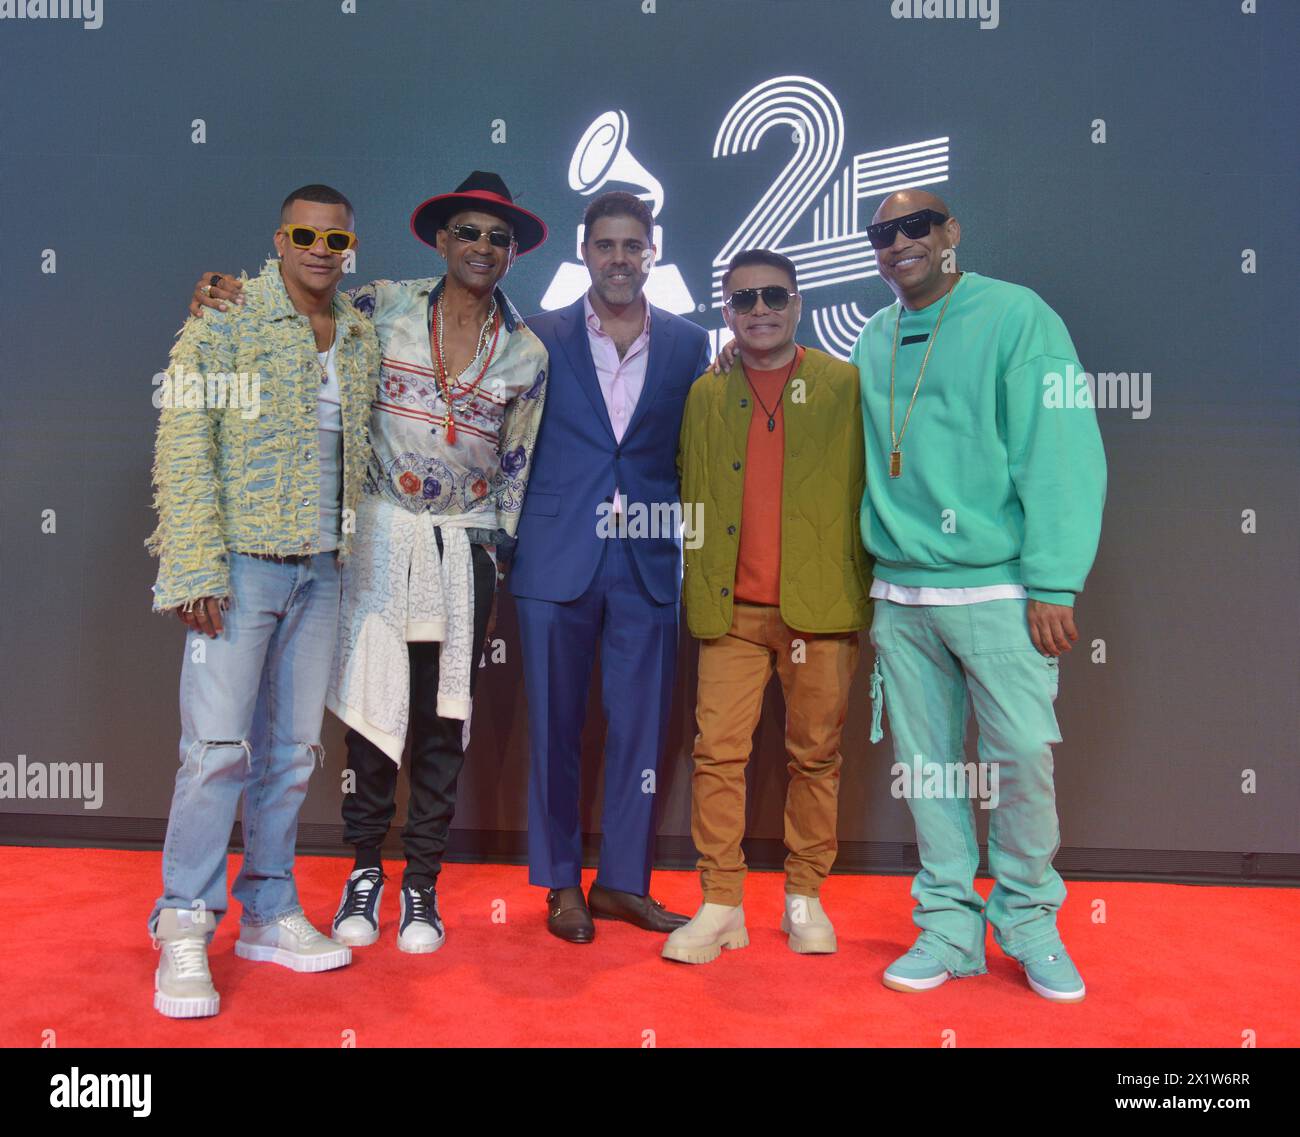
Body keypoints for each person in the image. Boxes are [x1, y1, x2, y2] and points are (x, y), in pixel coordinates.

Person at [187, 172, 549, 955]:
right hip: (378, 537)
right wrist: (228, 292)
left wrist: (496, 558)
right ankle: (363, 872)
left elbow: (516, 467)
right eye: (469, 232)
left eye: (498, 237)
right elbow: (292, 309)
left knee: (441, 720)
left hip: (466, 544)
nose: (482, 247)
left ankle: (421, 883)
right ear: (442, 240)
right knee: (368, 713)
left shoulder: (527, 351)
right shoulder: (378, 305)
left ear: (511, 253)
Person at [853, 189, 1106, 1001]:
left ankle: (1030, 921)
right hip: (903, 593)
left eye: (916, 226)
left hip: (1002, 590)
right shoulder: (871, 337)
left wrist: (1055, 578)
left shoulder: (1018, 316)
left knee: (1022, 761)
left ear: (950, 232)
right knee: (928, 773)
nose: (900, 242)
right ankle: (950, 928)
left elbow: (1060, 449)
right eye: (883, 233)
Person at [147, 184, 378, 1018]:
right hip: (239, 568)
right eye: (304, 233)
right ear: (278, 239)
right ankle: (183, 924)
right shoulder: (226, 317)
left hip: (322, 568)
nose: (321, 247)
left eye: (336, 237)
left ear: (351, 247)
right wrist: (194, 566)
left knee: (291, 755)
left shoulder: (357, 330)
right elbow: (184, 440)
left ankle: (271, 909)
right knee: (214, 749)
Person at [512, 191, 710, 942]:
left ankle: (623, 882)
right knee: (554, 728)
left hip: (648, 562)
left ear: (652, 252)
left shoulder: (692, 345)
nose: (620, 258)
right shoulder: (537, 335)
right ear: (584, 251)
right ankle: (561, 884)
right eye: (606, 245)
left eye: (634, 245)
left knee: (642, 731)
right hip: (556, 555)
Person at [664, 249, 871, 965]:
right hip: (731, 611)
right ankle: (721, 900)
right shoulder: (705, 392)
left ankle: (805, 894)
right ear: (725, 311)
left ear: (798, 302)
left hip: (821, 609)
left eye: (773, 296)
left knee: (815, 756)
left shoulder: (843, 384)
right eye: (744, 299)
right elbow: (688, 482)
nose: (759, 310)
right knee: (717, 755)